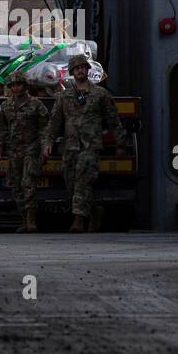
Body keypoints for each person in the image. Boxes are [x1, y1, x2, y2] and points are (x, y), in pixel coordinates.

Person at [42, 55, 123, 233]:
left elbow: (113, 119)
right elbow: (55, 121)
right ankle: (94, 211)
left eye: (82, 67)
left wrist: (119, 143)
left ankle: (78, 221)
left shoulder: (100, 94)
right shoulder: (64, 96)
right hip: (70, 145)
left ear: (88, 70)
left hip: (90, 145)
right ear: (72, 73)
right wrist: (47, 142)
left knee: (82, 182)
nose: (80, 70)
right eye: (76, 68)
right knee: (70, 183)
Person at [0, 72, 50, 233]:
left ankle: (31, 220)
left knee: (29, 183)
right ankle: (23, 219)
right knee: (16, 184)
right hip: (14, 150)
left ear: (25, 86)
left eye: (18, 84)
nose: (15, 88)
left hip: (31, 149)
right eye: (12, 85)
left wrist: (45, 146)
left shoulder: (36, 105)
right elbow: (0, 127)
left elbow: (44, 127)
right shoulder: (6, 106)